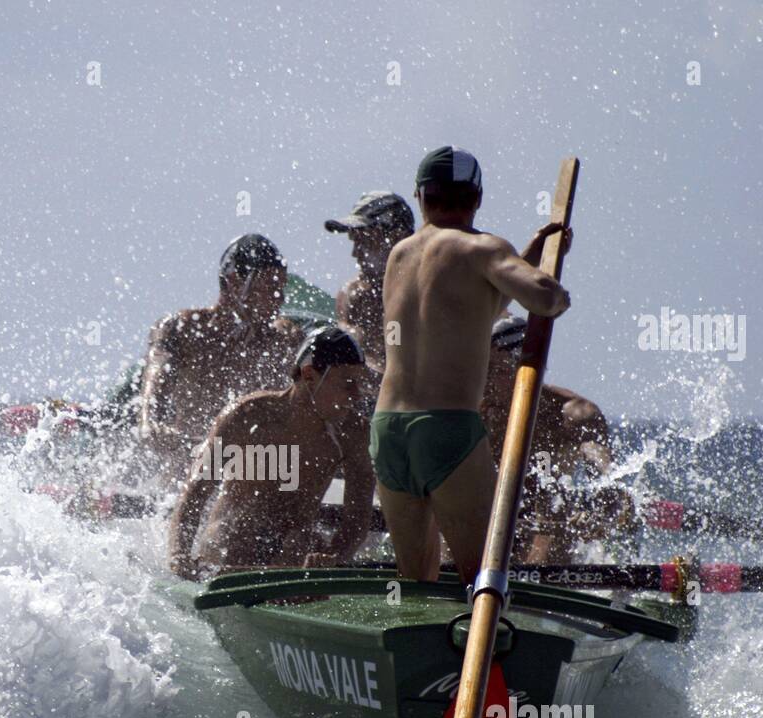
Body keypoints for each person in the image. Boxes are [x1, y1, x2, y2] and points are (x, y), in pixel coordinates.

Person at [374, 145, 571, 582]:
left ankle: (418, 646)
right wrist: (556, 290)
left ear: (420, 196)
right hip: (446, 428)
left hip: (388, 429)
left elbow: (476, 305)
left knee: (416, 580)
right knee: (482, 578)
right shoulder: (482, 249)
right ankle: (491, 649)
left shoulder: (399, 255)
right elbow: (542, 298)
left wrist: (531, 252)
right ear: (477, 198)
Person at [168, 325, 375, 578]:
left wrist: (332, 559)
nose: (357, 395)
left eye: (360, 384)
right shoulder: (247, 416)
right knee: (232, 536)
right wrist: (179, 556)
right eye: (348, 383)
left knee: (303, 541)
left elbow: (356, 521)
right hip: (230, 549)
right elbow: (195, 494)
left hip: (293, 551)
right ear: (309, 375)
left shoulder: (354, 433)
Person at [138, 234, 303, 478]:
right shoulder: (182, 330)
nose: (280, 299)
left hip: (257, 477)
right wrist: (151, 426)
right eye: (269, 288)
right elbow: (153, 400)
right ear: (234, 282)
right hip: (187, 474)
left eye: (280, 289)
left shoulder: (285, 339)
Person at [483, 314, 634, 562]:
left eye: (496, 370)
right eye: (484, 369)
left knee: (554, 517)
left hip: (549, 518)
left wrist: (606, 497)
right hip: (488, 514)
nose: (486, 381)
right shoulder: (476, 409)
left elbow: (601, 464)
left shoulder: (575, 413)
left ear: (526, 370)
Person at [324, 192, 416, 374]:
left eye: (363, 241)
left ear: (397, 238)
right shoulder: (354, 295)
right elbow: (352, 368)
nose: (355, 253)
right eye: (354, 241)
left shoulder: (428, 293)